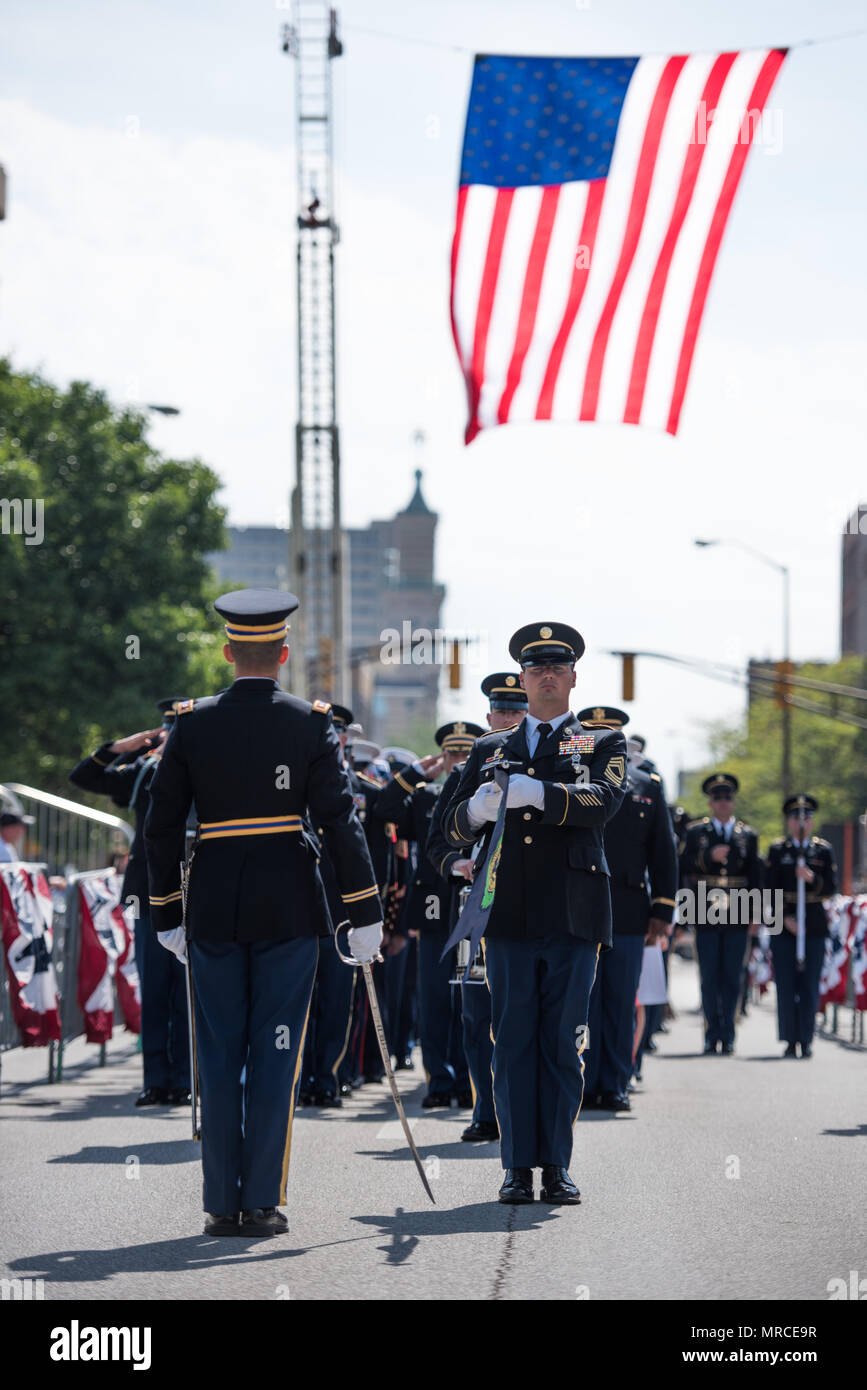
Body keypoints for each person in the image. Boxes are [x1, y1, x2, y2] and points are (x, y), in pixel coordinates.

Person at [144, 589, 381, 1239]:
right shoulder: (312, 724)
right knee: (277, 1054)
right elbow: (339, 823)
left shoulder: (190, 724)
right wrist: (363, 912)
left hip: (215, 904)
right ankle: (262, 1203)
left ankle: (221, 1203)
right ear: (282, 654)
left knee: (219, 1054)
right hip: (287, 908)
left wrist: (166, 908)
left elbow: (160, 827)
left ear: (227, 653)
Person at [443, 622, 627, 1205]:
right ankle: (517, 1167)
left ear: (572, 678)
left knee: (563, 1044)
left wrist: (540, 796)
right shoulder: (489, 750)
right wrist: (474, 812)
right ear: (523, 679)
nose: (547, 676)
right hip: (510, 915)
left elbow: (604, 802)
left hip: (573, 916)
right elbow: (447, 829)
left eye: (557, 668)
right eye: (536, 668)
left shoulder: (600, 744)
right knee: (513, 1041)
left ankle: (557, 1165)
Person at [69, 700, 191, 1107]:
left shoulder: (205, 768)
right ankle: (156, 1080)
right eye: (165, 732)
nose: (170, 739)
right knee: (154, 989)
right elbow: (85, 776)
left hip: (197, 889)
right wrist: (121, 748)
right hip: (148, 892)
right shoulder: (144, 771)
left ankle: (187, 1079)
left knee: (188, 993)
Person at [427, 673, 528, 1142]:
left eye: (517, 710)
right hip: (478, 911)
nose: (508, 718)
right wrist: (457, 862)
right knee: (476, 1017)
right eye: (501, 711)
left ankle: (522, 1114)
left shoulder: (552, 767)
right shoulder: (469, 770)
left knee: (524, 1015)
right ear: (489, 717)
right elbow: (437, 842)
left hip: (530, 909)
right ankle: (485, 1111)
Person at [376, 722, 484, 1108]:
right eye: (453, 754)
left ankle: (469, 1081)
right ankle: (439, 1081)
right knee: (436, 999)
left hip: (474, 909)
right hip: (435, 909)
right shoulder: (426, 797)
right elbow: (384, 809)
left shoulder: (488, 792)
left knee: (469, 1003)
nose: (459, 761)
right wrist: (416, 773)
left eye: (466, 753)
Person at [579, 708, 677, 1112]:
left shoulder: (646, 785)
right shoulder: (570, 779)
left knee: (620, 1001)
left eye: (611, 733)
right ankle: (583, 1081)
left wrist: (662, 912)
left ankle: (615, 1082)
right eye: (594, 733)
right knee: (582, 1001)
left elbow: (663, 853)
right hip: (579, 907)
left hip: (630, 910)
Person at [299, 703, 361, 1107]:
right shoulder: (296, 781)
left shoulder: (356, 787)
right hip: (303, 913)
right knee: (302, 1005)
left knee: (337, 1004)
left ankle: (326, 1078)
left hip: (341, 914)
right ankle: (300, 1079)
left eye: (340, 734)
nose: (336, 740)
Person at [679, 773, 762, 1055]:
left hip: (738, 908)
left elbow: (756, 876)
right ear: (710, 802)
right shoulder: (696, 832)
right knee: (709, 974)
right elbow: (683, 865)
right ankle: (710, 1032)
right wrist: (708, 858)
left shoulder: (747, 835)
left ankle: (728, 1033)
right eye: (718, 798)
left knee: (733, 975)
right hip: (705, 908)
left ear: (733, 801)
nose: (723, 803)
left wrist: (756, 915)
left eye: (727, 798)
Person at [765, 794, 836, 1059]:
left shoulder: (822, 850)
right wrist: (784, 919)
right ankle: (789, 1039)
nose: (801, 822)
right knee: (786, 983)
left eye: (806, 817)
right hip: (785, 923)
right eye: (796, 817)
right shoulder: (778, 849)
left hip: (814, 924)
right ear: (788, 821)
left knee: (809, 984)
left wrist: (811, 878)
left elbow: (831, 887)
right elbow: (768, 888)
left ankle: (806, 1038)